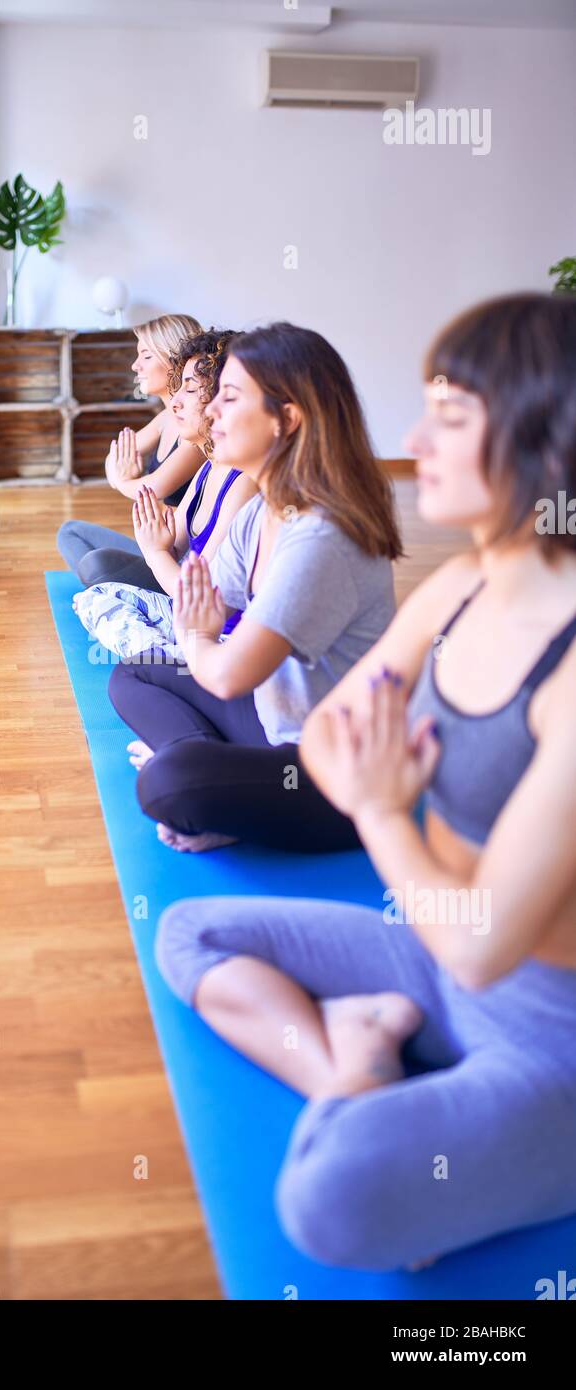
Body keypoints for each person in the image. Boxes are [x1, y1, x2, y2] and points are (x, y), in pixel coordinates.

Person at [155, 292, 576, 1271]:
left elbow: (481, 948)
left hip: (544, 1027)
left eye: (449, 416)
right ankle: (351, 1058)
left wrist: (383, 809)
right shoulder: (461, 587)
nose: (413, 441)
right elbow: (332, 732)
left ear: (542, 439)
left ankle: (358, 1072)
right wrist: (359, 776)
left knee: (329, 1200)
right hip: (428, 954)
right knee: (190, 932)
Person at [108, 321, 402, 853]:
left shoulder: (320, 537)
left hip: (326, 775)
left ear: (286, 419)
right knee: (133, 672)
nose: (212, 412)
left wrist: (198, 634)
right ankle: (209, 769)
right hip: (268, 718)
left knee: (166, 783)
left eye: (230, 397)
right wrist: (198, 627)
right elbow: (201, 602)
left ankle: (206, 775)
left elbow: (223, 670)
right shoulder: (262, 512)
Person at [72, 330, 258, 662]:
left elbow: (202, 598)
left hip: (220, 637)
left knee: (126, 671)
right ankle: (162, 659)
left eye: (190, 389)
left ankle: (166, 662)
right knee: (93, 596)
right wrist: (160, 541)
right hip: (186, 611)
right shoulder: (208, 467)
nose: (176, 402)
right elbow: (177, 546)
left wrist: (155, 551)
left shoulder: (242, 482)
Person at [56, 314, 203, 590]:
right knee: (70, 532)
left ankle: (112, 590)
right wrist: (123, 478)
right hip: (159, 548)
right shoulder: (165, 420)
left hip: (178, 562)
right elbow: (113, 459)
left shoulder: (196, 431)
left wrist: (123, 481)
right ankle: (111, 589)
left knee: (97, 564)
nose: (135, 366)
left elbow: (153, 488)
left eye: (146, 356)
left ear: (175, 358)